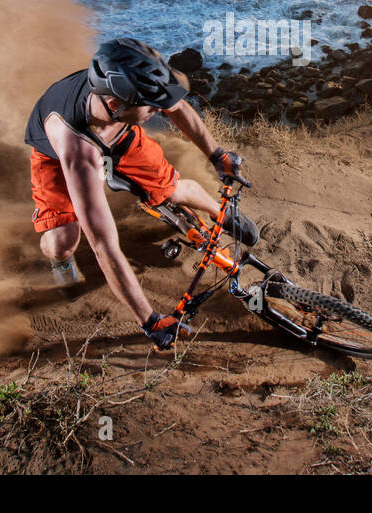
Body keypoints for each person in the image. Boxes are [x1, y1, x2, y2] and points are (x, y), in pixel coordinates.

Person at [24, 38, 258, 351]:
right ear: (114, 104)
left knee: (172, 188)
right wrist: (149, 320)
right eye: (149, 106)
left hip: (119, 135)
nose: (157, 110)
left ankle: (220, 213)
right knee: (63, 243)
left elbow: (177, 108)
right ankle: (61, 262)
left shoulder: (132, 95)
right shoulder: (76, 151)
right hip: (56, 156)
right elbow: (104, 246)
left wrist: (217, 156)